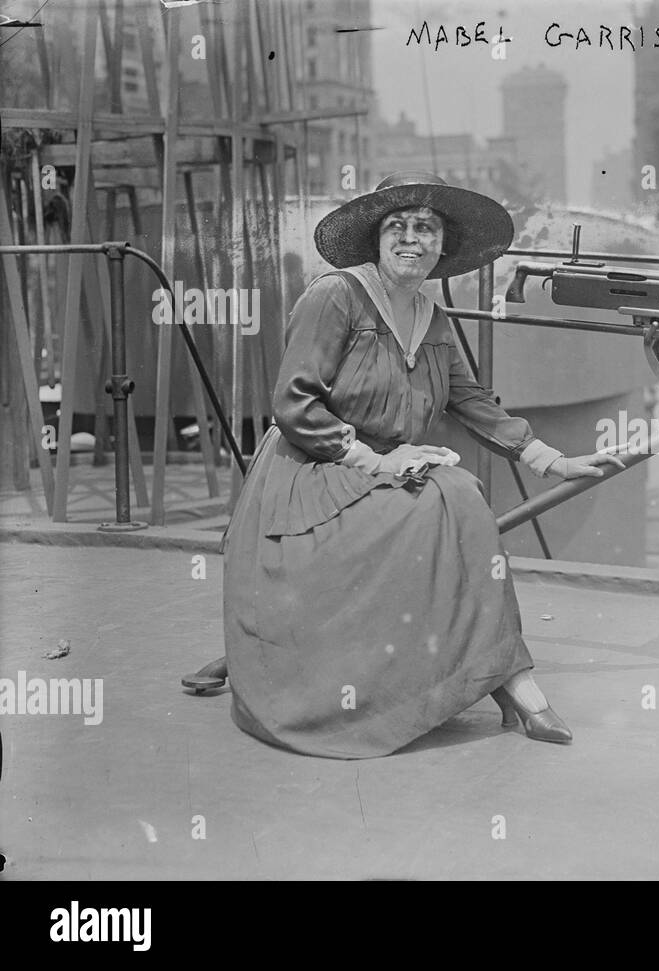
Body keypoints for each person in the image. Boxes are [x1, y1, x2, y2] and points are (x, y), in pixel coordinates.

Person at [221, 172, 623, 759]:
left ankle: (508, 674)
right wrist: (372, 460)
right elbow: (292, 403)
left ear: (442, 245)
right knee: (454, 495)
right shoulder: (335, 295)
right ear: (376, 240)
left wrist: (551, 460)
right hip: (308, 475)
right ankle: (510, 681)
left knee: (460, 492)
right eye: (398, 227)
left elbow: (469, 398)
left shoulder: (431, 317)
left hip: (376, 473)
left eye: (427, 229)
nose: (412, 239)